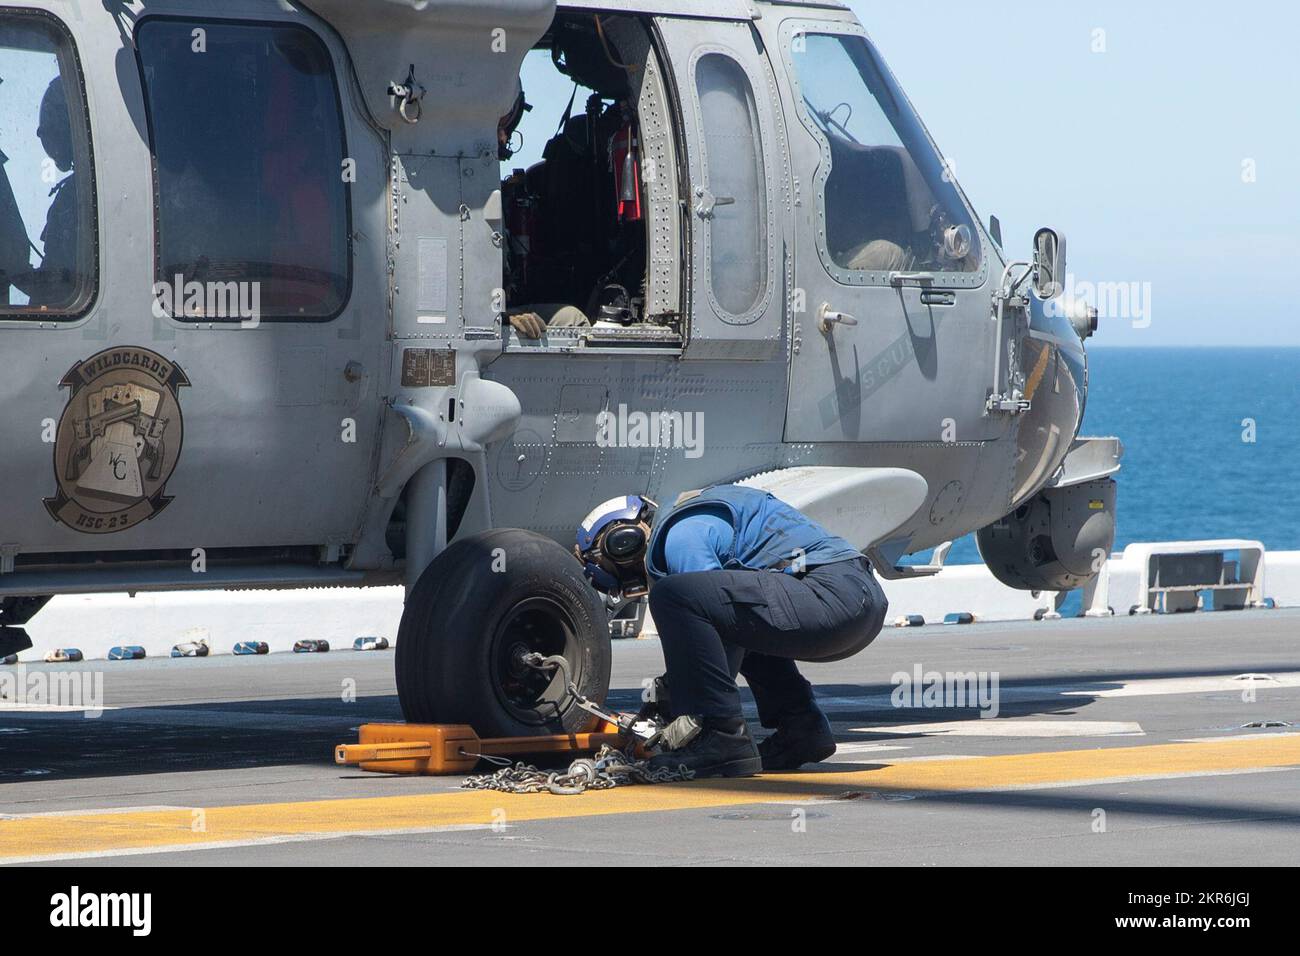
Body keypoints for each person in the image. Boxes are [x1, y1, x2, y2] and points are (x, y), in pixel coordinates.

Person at [575, 485, 889, 779]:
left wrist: (667, 705)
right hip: (855, 601)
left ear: (623, 541)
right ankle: (801, 728)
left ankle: (723, 739)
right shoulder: (697, 515)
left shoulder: (680, 535)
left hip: (829, 597)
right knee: (736, 613)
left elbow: (710, 634)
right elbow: (725, 621)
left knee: (673, 594)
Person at [8, 78, 79, 308]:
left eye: (52, 129)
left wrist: (16, 273)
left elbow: (59, 282)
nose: (45, 137)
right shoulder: (73, 193)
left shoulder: (73, 198)